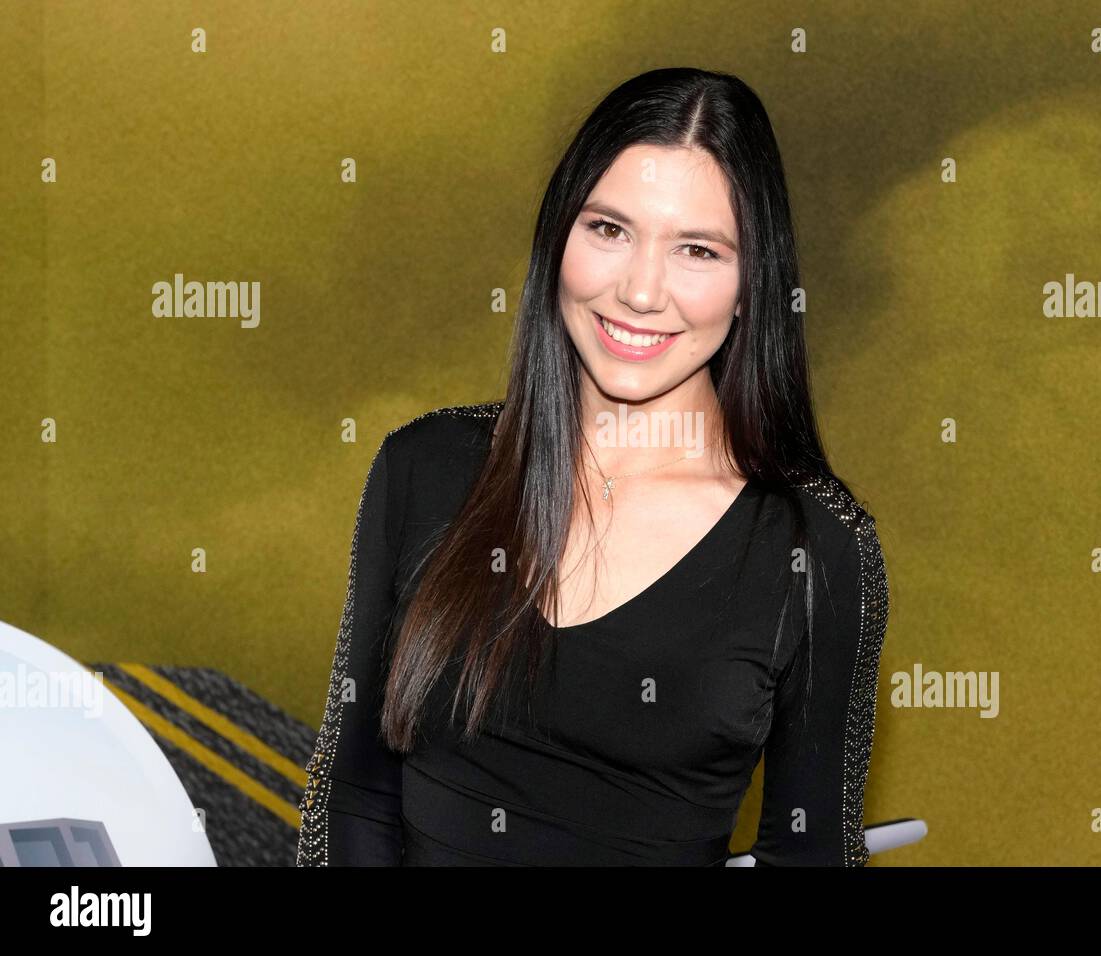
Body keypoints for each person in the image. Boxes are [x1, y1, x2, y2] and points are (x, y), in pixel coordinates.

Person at [296, 67, 891, 867]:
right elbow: (356, 795)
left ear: (753, 284)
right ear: (558, 239)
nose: (641, 292)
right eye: (609, 229)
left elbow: (811, 854)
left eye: (697, 249)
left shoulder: (818, 550)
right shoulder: (426, 465)